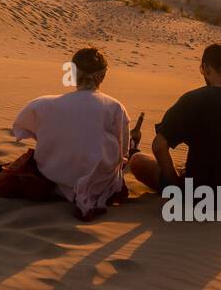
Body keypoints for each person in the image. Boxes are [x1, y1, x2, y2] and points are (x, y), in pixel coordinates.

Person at [128, 43, 221, 193]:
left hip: (202, 196)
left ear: (205, 69)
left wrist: (174, 183)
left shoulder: (193, 100)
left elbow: (159, 146)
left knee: (137, 160)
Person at [8, 47, 130, 220]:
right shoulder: (115, 107)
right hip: (99, 181)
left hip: (53, 174)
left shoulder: (41, 105)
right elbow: (123, 154)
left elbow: (21, 130)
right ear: (103, 76)